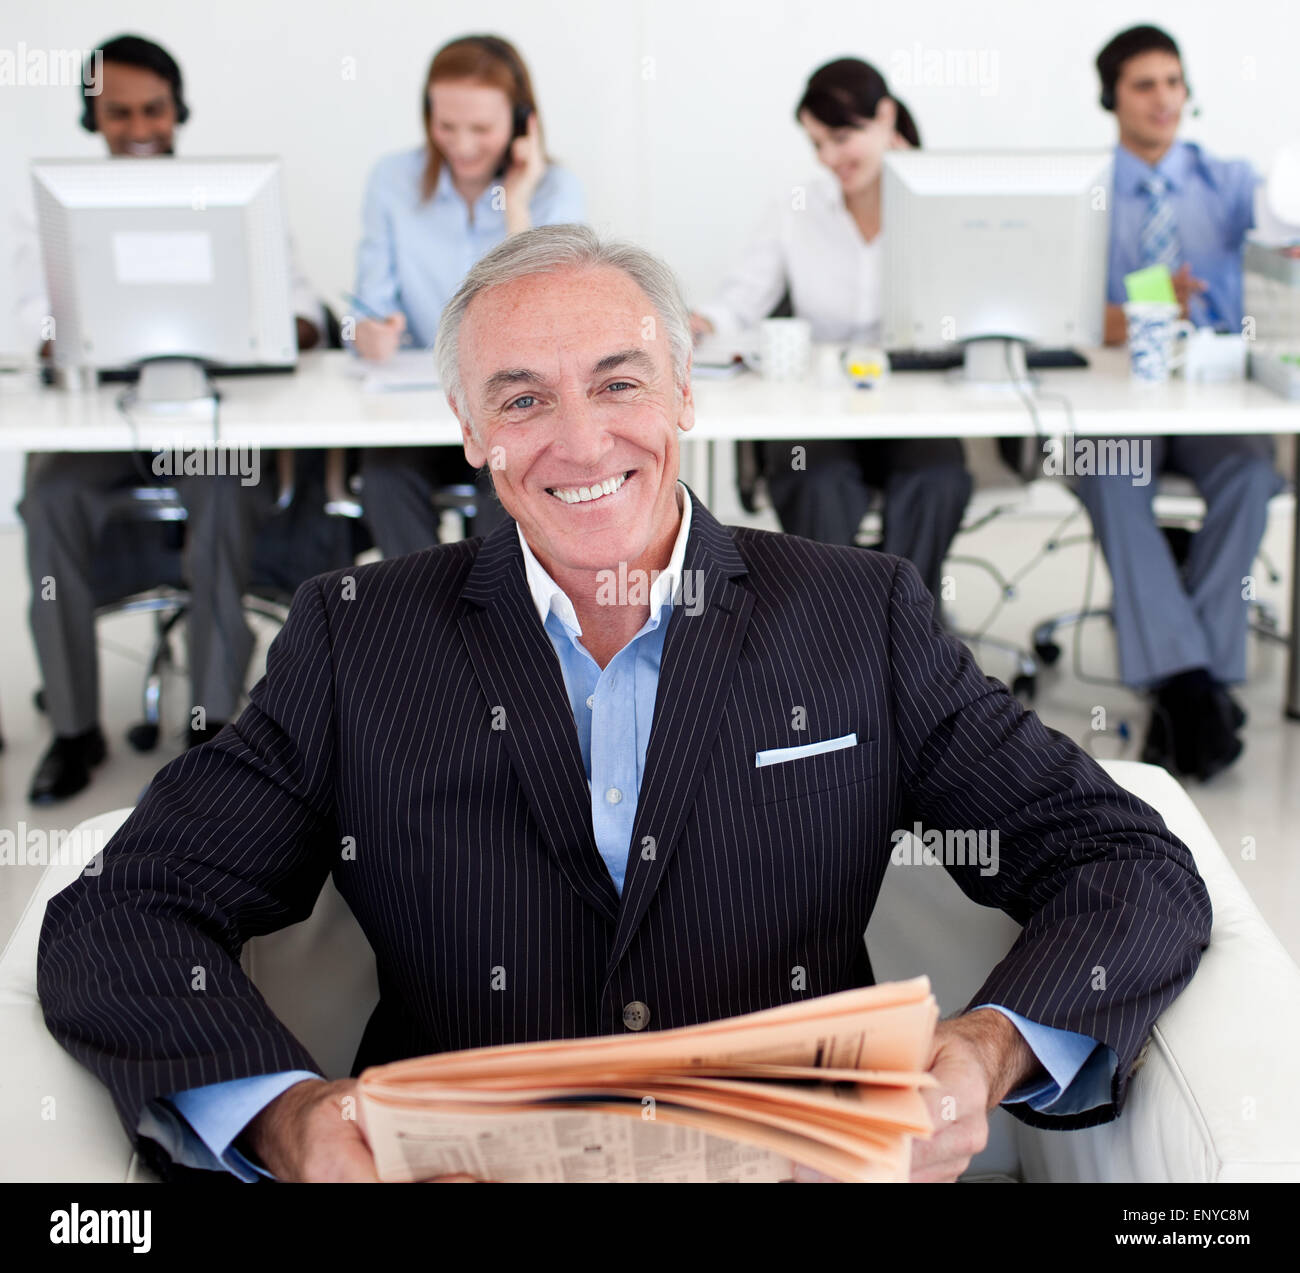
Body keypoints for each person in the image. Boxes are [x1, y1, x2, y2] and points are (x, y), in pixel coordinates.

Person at [39, 226, 1211, 1184]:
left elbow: (1124, 863)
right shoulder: (357, 636)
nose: (582, 438)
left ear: (685, 393)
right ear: (469, 434)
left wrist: (982, 1049)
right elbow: (124, 914)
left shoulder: (861, 614)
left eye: (618, 381)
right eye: (523, 399)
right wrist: (286, 1119)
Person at [12, 34, 326, 805]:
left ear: (178, 109)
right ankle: (75, 728)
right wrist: (64, 330)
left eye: (153, 108)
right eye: (118, 112)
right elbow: (21, 317)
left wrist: (295, 327)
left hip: (207, 411)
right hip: (106, 414)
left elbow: (303, 303)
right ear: (94, 119)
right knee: (52, 499)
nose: (140, 126)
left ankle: (215, 725)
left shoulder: (228, 194)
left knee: (222, 492)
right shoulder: (46, 206)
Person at [1075, 25, 1283, 781]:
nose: (1165, 99)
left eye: (1174, 82)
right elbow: (1064, 313)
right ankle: (1199, 690)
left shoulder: (1227, 181)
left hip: (1210, 391)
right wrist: (1152, 305)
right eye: (1144, 85)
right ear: (1112, 98)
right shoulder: (1086, 194)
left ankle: (1186, 681)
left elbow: (1278, 230)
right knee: (1107, 474)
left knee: (1250, 475)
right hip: (1115, 394)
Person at [690, 58, 971, 601]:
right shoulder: (798, 209)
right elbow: (740, 300)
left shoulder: (945, 201)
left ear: (886, 116)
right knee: (814, 479)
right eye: (817, 144)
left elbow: (978, 306)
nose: (829, 159)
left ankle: (909, 631)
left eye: (842, 138)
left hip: (917, 399)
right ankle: (829, 638)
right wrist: (701, 322)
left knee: (936, 479)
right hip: (819, 401)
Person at [351, 33, 585, 555]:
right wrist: (368, 334)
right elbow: (367, 306)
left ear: (523, 121)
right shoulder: (392, 181)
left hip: (512, 412)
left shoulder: (556, 190)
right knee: (385, 480)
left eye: (481, 128)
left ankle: (497, 631)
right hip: (414, 414)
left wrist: (518, 205)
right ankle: (420, 631)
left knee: (507, 492)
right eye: (446, 125)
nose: (461, 144)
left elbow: (555, 323)